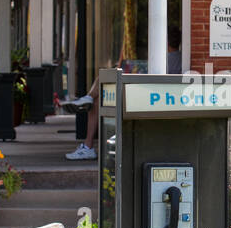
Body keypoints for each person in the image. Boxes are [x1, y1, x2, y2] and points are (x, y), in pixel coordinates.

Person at [65, 25, 182, 161]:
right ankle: (88, 140)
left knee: (102, 86)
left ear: (163, 41)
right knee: (99, 97)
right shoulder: (179, 59)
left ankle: (88, 136)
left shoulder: (161, 61)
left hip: (148, 98)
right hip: (153, 96)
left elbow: (146, 77)